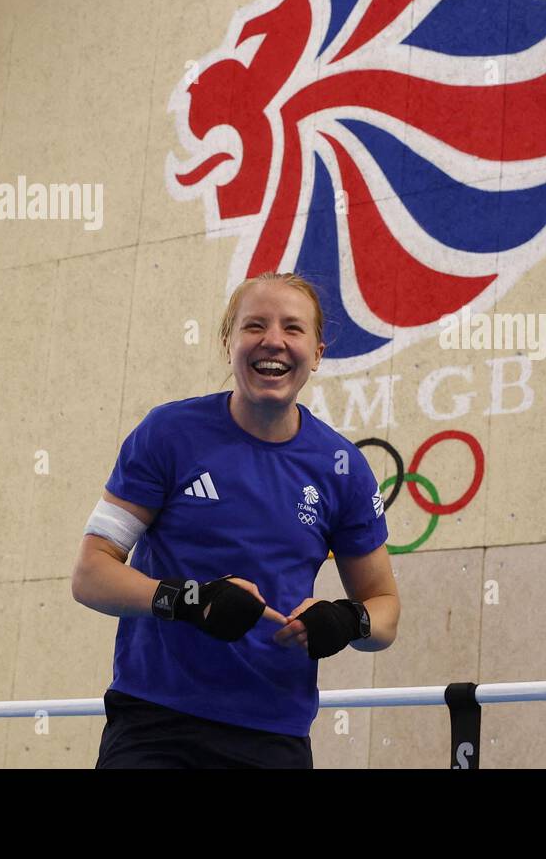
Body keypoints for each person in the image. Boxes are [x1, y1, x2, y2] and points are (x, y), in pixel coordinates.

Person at [71, 271, 398, 768]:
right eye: (254, 326)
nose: (274, 341)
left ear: (318, 352)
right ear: (229, 342)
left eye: (293, 328)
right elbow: (91, 574)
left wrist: (347, 620)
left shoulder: (343, 468)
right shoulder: (168, 434)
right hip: (156, 726)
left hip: (273, 735)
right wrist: (189, 600)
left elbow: (385, 610)